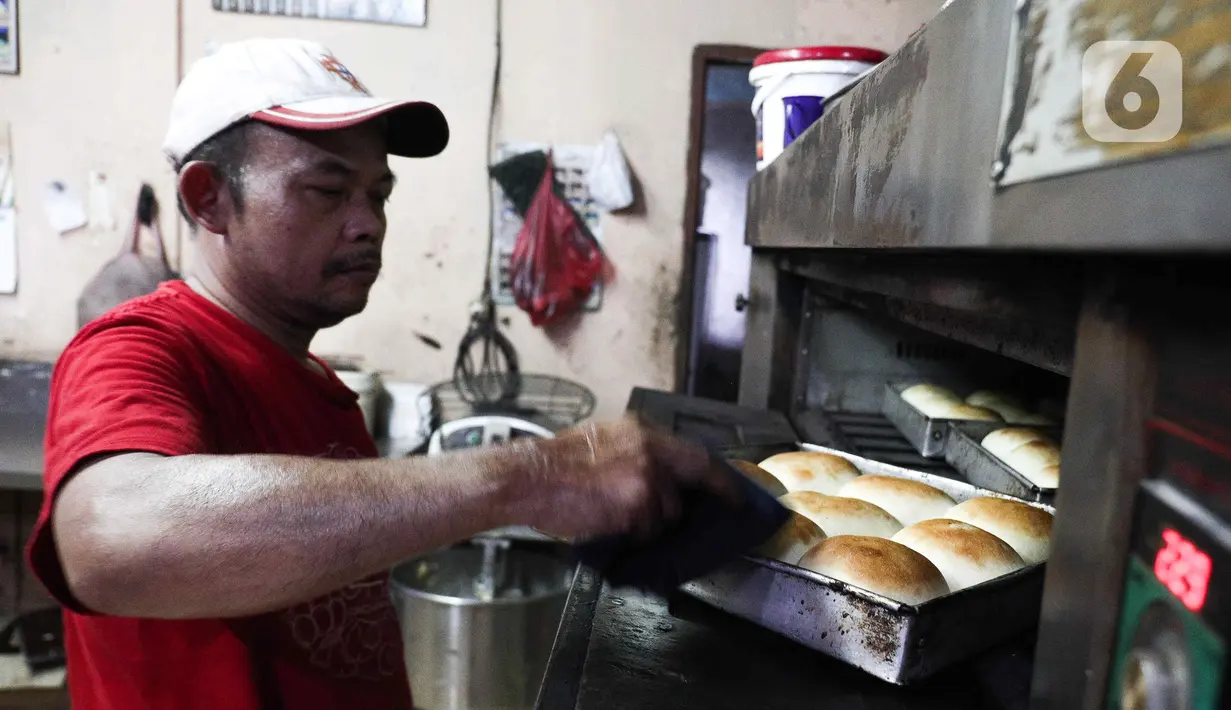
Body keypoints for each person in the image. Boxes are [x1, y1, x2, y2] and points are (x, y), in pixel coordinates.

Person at [27, 38, 735, 710]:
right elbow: (107, 542)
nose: (368, 223)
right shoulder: (139, 347)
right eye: (328, 192)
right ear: (208, 197)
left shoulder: (317, 387)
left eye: (378, 194)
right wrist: (526, 476)